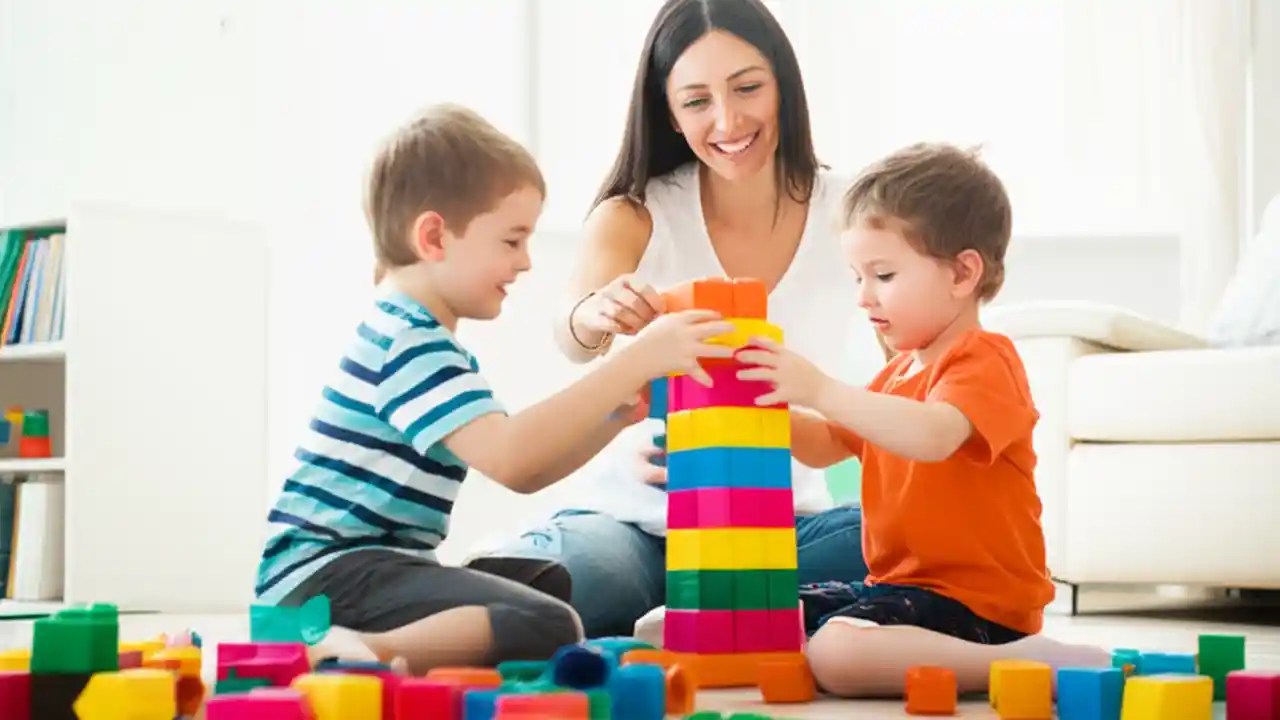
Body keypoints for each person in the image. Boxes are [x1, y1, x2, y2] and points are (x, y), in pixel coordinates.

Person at [253, 103, 738, 674]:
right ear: (434, 236)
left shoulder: (417, 335)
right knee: (549, 622)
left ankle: (409, 638)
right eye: (511, 241)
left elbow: (526, 472)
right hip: (322, 580)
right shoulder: (408, 341)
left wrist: (615, 418)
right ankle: (350, 650)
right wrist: (631, 365)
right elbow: (511, 455)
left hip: (353, 572)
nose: (526, 262)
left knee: (548, 586)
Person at [479, 0, 876, 639]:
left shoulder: (849, 211)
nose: (728, 120)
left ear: (784, 84)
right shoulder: (635, 212)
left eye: (748, 88)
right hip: (635, 520)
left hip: (781, 526)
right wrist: (596, 313)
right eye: (696, 102)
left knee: (895, 540)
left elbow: (907, 356)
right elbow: (574, 329)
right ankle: (644, 598)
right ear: (668, 111)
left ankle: (702, 612)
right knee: (577, 583)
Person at [737, 142, 1111, 696]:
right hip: (898, 592)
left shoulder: (985, 359)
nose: (863, 297)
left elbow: (934, 434)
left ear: (963, 273)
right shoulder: (893, 378)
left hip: (980, 608)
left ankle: (1021, 661)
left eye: (882, 275)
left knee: (837, 654)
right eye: (856, 277)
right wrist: (750, 408)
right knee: (742, 615)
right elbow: (821, 445)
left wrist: (819, 386)